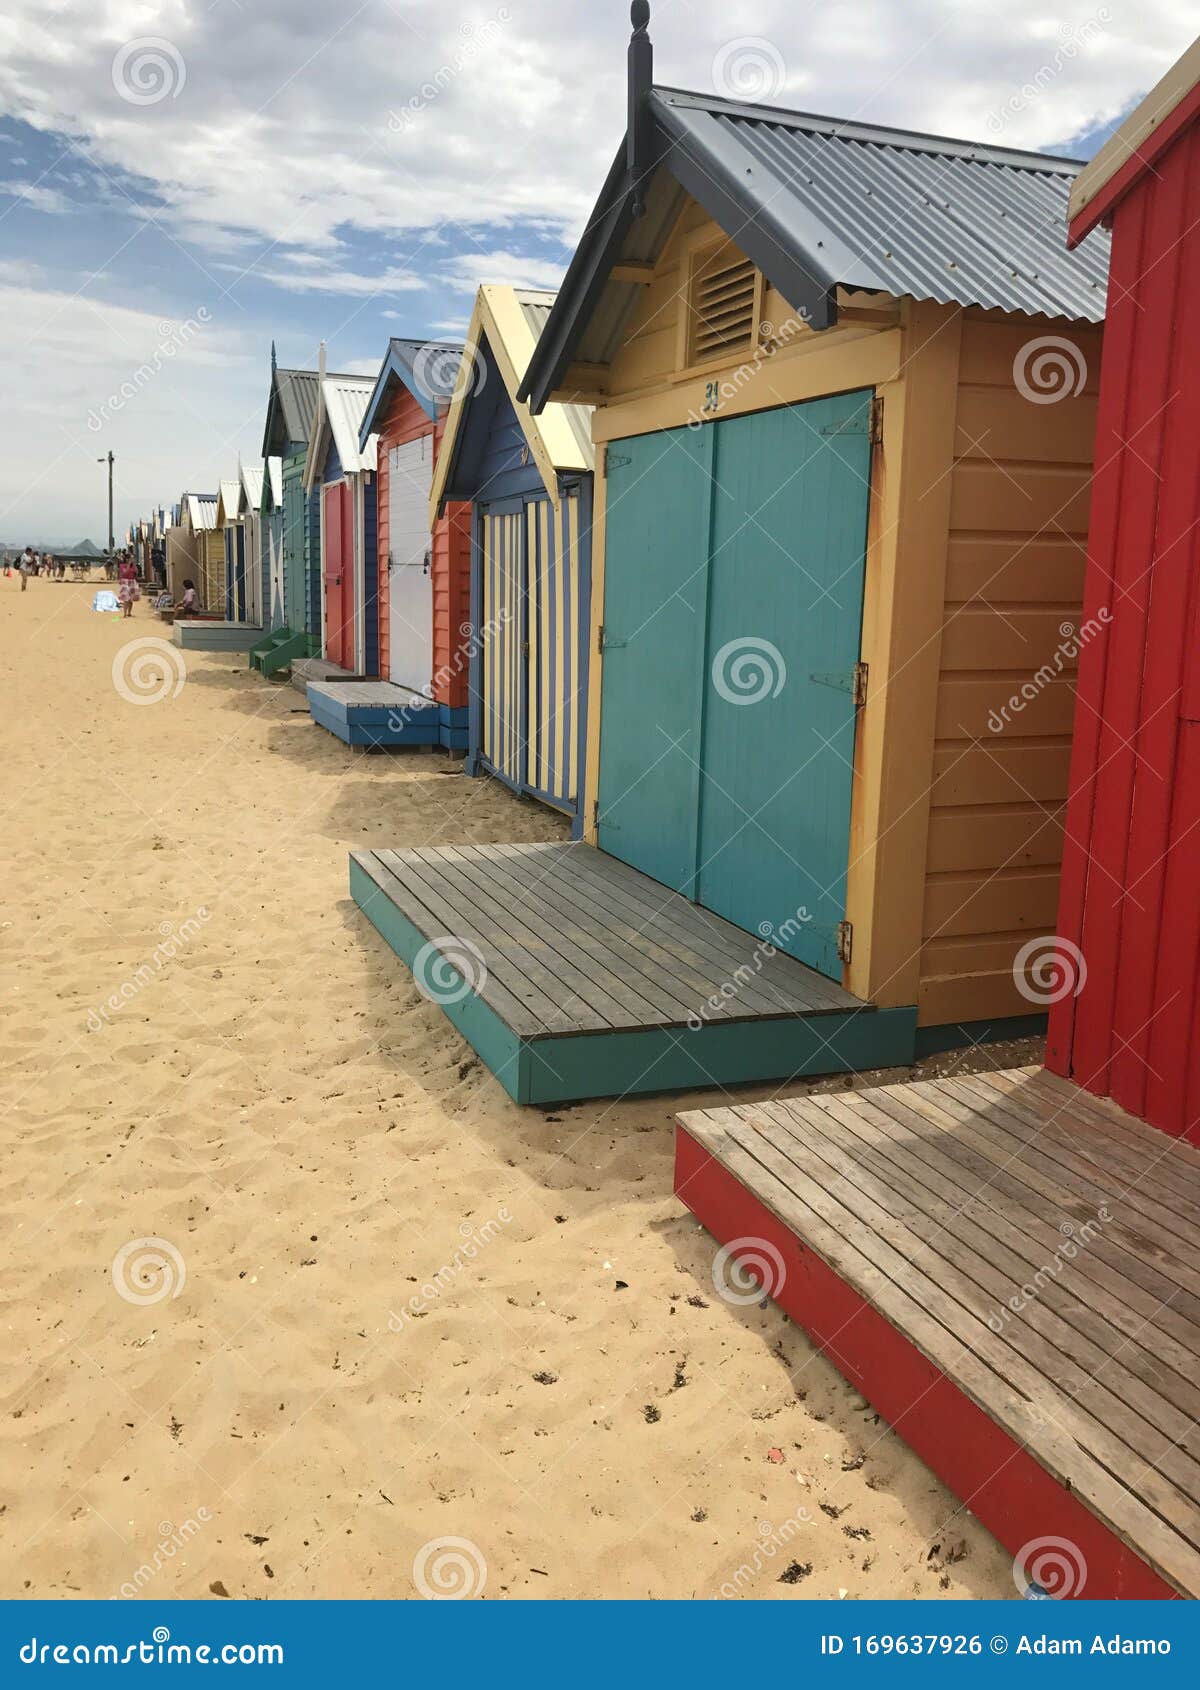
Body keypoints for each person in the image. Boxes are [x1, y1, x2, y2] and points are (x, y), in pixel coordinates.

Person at [117, 552, 139, 620]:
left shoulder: (133, 566)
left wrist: (134, 564)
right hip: (125, 582)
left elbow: (136, 572)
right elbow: (124, 573)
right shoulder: (122, 565)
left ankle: (129, 613)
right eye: (130, 558)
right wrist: (129, 565)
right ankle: (125, 613)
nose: (132, 559)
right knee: (125, 598)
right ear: (127, 559)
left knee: (131, 599)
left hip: (132, 582)